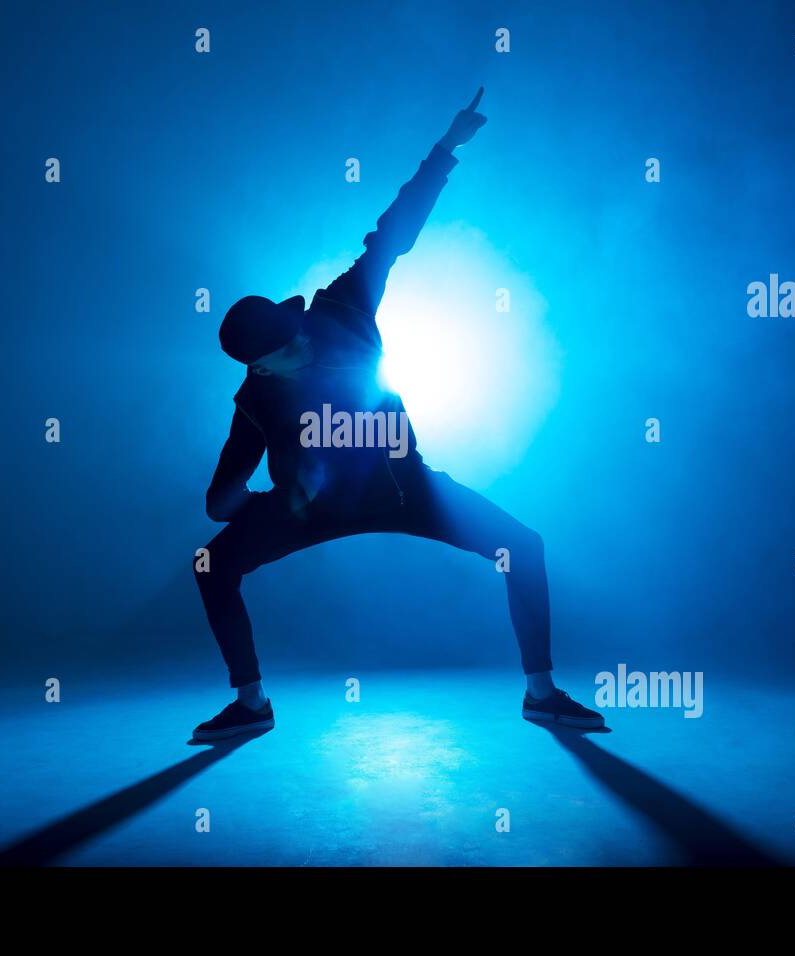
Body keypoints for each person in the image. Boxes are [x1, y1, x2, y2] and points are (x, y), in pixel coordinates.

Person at [192, 88, 603, 740]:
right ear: (261, 368)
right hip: (314, 510)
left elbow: (394, 232)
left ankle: (541, 693)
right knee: (210, 565)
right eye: (287, 351)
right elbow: (219, 500)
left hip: (405, 490)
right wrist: (261, 505)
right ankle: (251, 704)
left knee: (523, 547)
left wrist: (447, 148)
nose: (305, 345)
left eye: (296, 332)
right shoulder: (255, 401)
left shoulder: (340, 308)